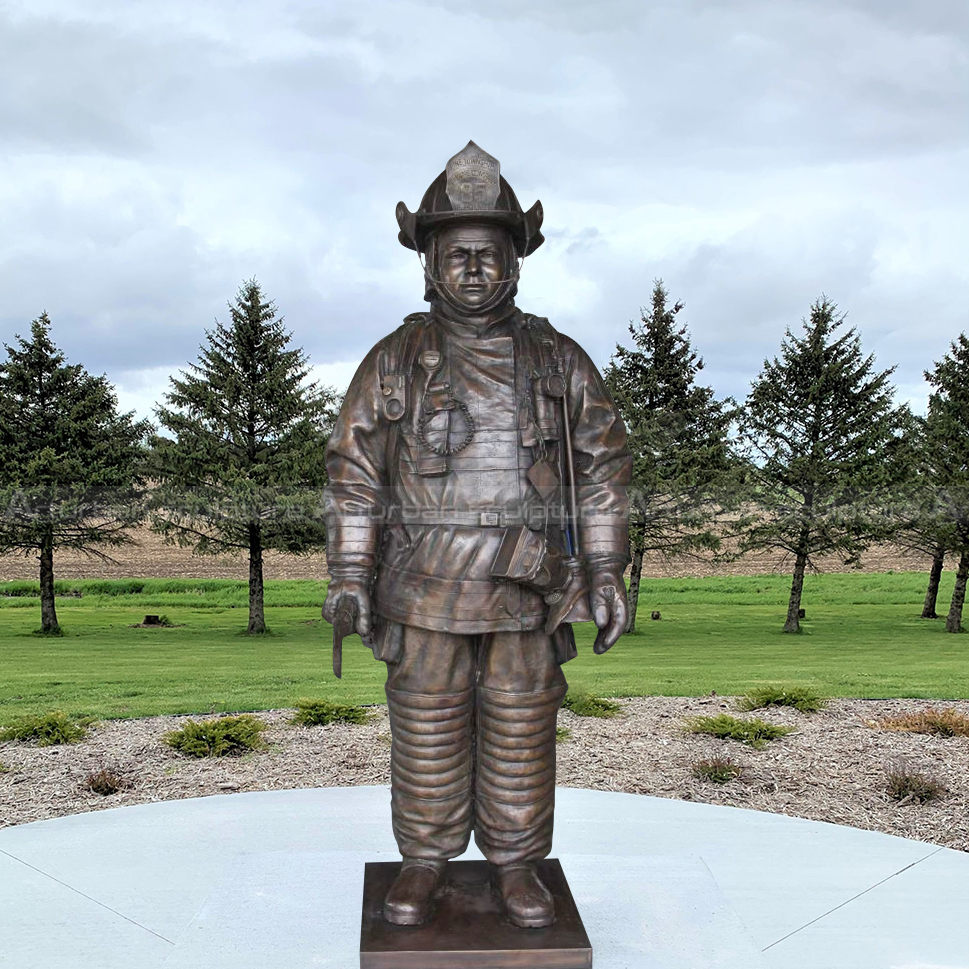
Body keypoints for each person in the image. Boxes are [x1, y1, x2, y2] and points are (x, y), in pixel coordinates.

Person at [323, 142, 631, 929]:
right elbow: (353, 472)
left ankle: (518, 864)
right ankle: (423, 861)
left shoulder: (558, 361)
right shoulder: (392, 361)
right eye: (454, 255)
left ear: (514, 264)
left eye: (485, 255)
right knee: (425, 722)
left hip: (526, 586)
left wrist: (603, 567)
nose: (470, 270)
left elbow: (602, 467)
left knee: (522, 725)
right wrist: (351, 575)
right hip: (422, 582)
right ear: (427, 263)